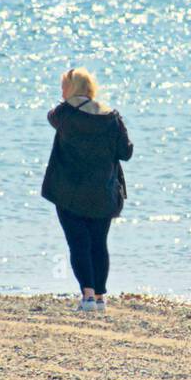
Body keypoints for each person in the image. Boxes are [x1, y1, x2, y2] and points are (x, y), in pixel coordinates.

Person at [40, 68, 133, 313]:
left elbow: (50, 116)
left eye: (63, 87)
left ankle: (88, 296)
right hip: (103, 193)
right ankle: (100, 298)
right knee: (99, 244)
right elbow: (126, 152)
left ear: (71, 90)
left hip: (68, 193)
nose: (61, 91)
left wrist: (67, 102)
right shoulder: (111, 117)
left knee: (78, 243)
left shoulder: (64, 114)